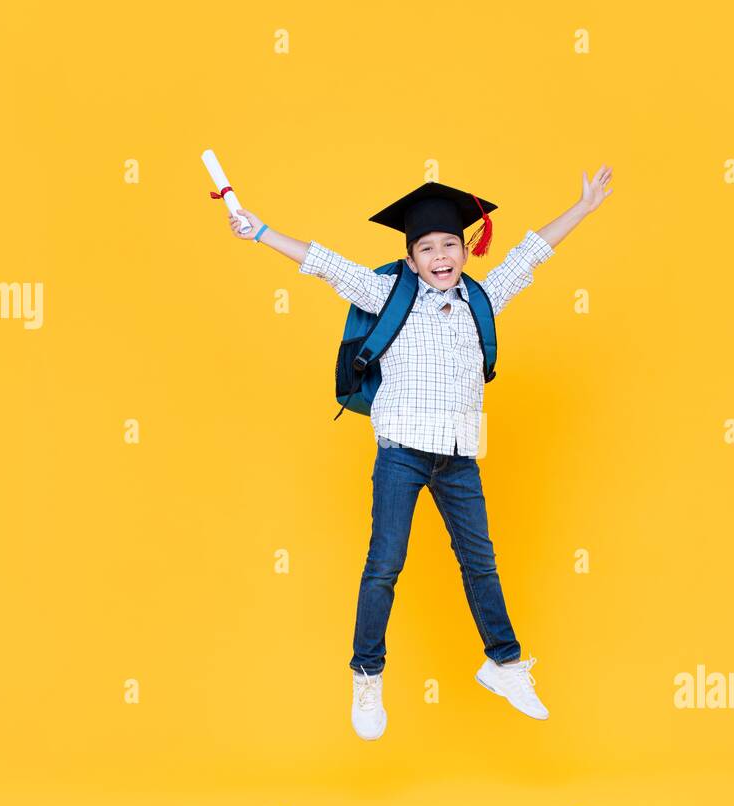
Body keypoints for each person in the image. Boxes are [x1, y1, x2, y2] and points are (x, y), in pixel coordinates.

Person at [222, 167, 614, 740]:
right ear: (410, 259)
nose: (439, 256)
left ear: (464, 250)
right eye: (426, 248)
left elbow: (530, 253)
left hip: (459, 458)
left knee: (480, 562)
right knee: (385, 565)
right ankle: (367, 673)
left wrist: (582, 208)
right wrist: (261, 232)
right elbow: (324, 263)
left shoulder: (483, 296)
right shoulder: (388, 295)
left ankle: (503, 664)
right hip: (401, 454)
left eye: (449, 245)